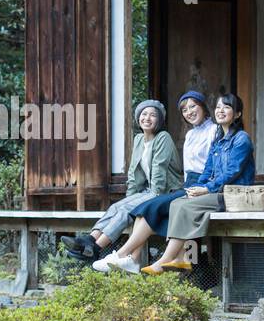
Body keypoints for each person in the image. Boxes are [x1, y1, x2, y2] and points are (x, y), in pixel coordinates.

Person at [107, 93, 254, 275]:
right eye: (218, 107)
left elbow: (232, 172)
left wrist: (206, 188)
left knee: (183, 207)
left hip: (231, 194)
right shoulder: (217, 141)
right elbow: (208, 169)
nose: (221, 111)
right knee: (178, 203)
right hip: (211, 188)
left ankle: (165, 260)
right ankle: (178, 258)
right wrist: (196, 189)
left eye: (226, 107)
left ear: (238, 114)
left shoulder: (241, 139)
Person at [94, 90, 215, 274]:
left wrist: (204, 186)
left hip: (203, 186)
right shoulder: (190, 135)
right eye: (184, 109)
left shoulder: (214, 131)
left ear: (203, 108)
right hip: (189, 184)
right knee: (141, 208)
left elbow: (210, 166)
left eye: (193, 106)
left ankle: (121, 255)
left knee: (152, 204)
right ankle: (129, 259)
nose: (189, 111)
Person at [60, 99, 182, 262]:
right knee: (117, 206)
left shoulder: (163, 137)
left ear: (159, 120)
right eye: (144, 114)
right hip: (148, 191)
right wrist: (130, 198)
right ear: (138, 118)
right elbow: (133, 172)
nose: (147, 118)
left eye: (153, 115)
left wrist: (136, 202)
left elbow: (159, 170)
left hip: (166, 192)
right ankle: (90, 239)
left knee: (126, 210)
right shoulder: (139, 139)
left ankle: (96, 248)